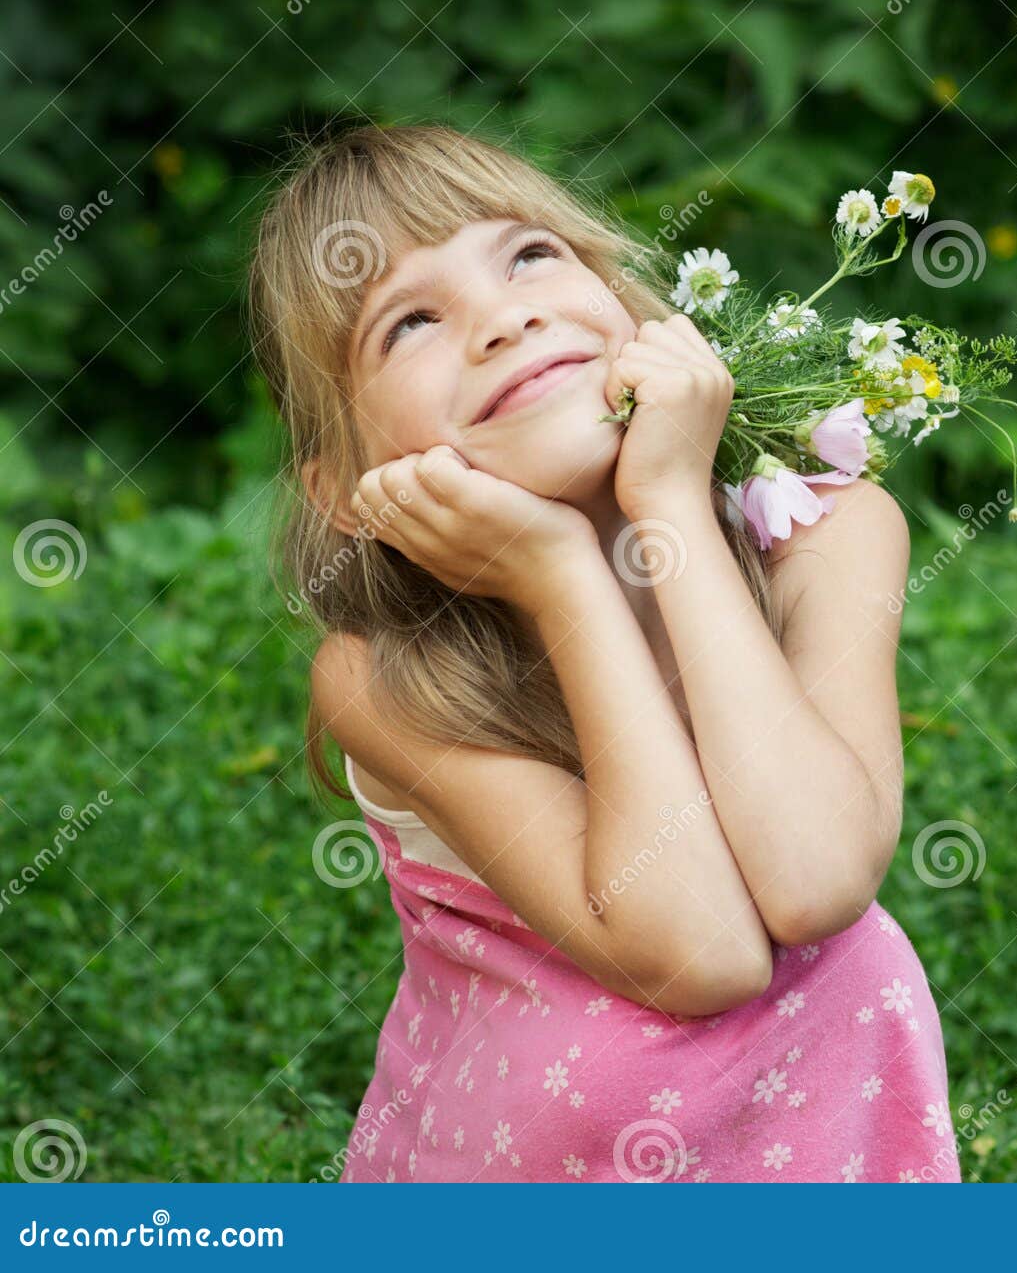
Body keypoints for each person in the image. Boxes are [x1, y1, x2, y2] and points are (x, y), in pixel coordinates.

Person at [245, 123, 960, 1183]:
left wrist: (668, 497)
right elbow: (699, 953)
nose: (504, 317)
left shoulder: (824, 531)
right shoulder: (386, 677)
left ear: (629, 304)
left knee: (847, 965)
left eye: (530, 253)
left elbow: (813, 882)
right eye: (409, 323)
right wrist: (560, 573)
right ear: (344, 490)